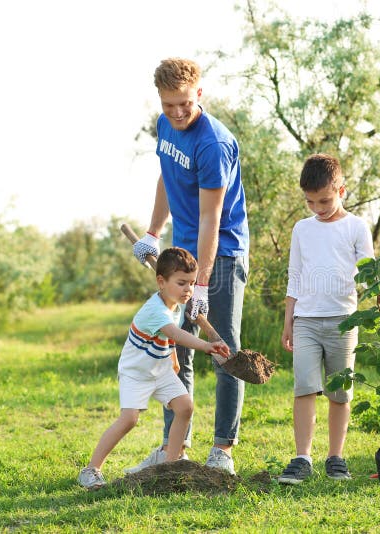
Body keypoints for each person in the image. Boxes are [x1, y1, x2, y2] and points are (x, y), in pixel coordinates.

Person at [130, 57, 249, 475]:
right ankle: (173, 449)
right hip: (183, 250)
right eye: (169, 105)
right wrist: (152, 232)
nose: (177, 113)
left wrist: (200, 286)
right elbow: (167, 176)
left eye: (184, 103)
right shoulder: (165, 127)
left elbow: (210, 219)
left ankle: (222, 450)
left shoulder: (213, 144)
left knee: (224, 349)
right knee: (176, 347)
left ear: (199, 93)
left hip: (222, 252)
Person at [78, 248, 229, 489]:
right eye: (181, 283)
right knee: (129, 419)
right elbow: (175, 333)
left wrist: (173, 357)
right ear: (161, 282)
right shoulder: (154, 310)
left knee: (185, 407)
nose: (188, 290)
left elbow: (166, 338)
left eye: (191, 283)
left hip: (161, 369)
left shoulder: (174, 305)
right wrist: (206, 346)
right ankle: (91, 470)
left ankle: (170, 466)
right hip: (136, 372)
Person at [277, 154, 375, 485]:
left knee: (340, 393)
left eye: (324, 201)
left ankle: (335, 457)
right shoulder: (302, 229)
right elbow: (294, 276)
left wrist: (379, 295)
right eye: (310, 202)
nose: (317, 208)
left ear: (341, 191)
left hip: (343, 321)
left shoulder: (356, 227)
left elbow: (368, 271)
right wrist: (289, 320)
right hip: (305, 319)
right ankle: (302, 458)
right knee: (304, 387)